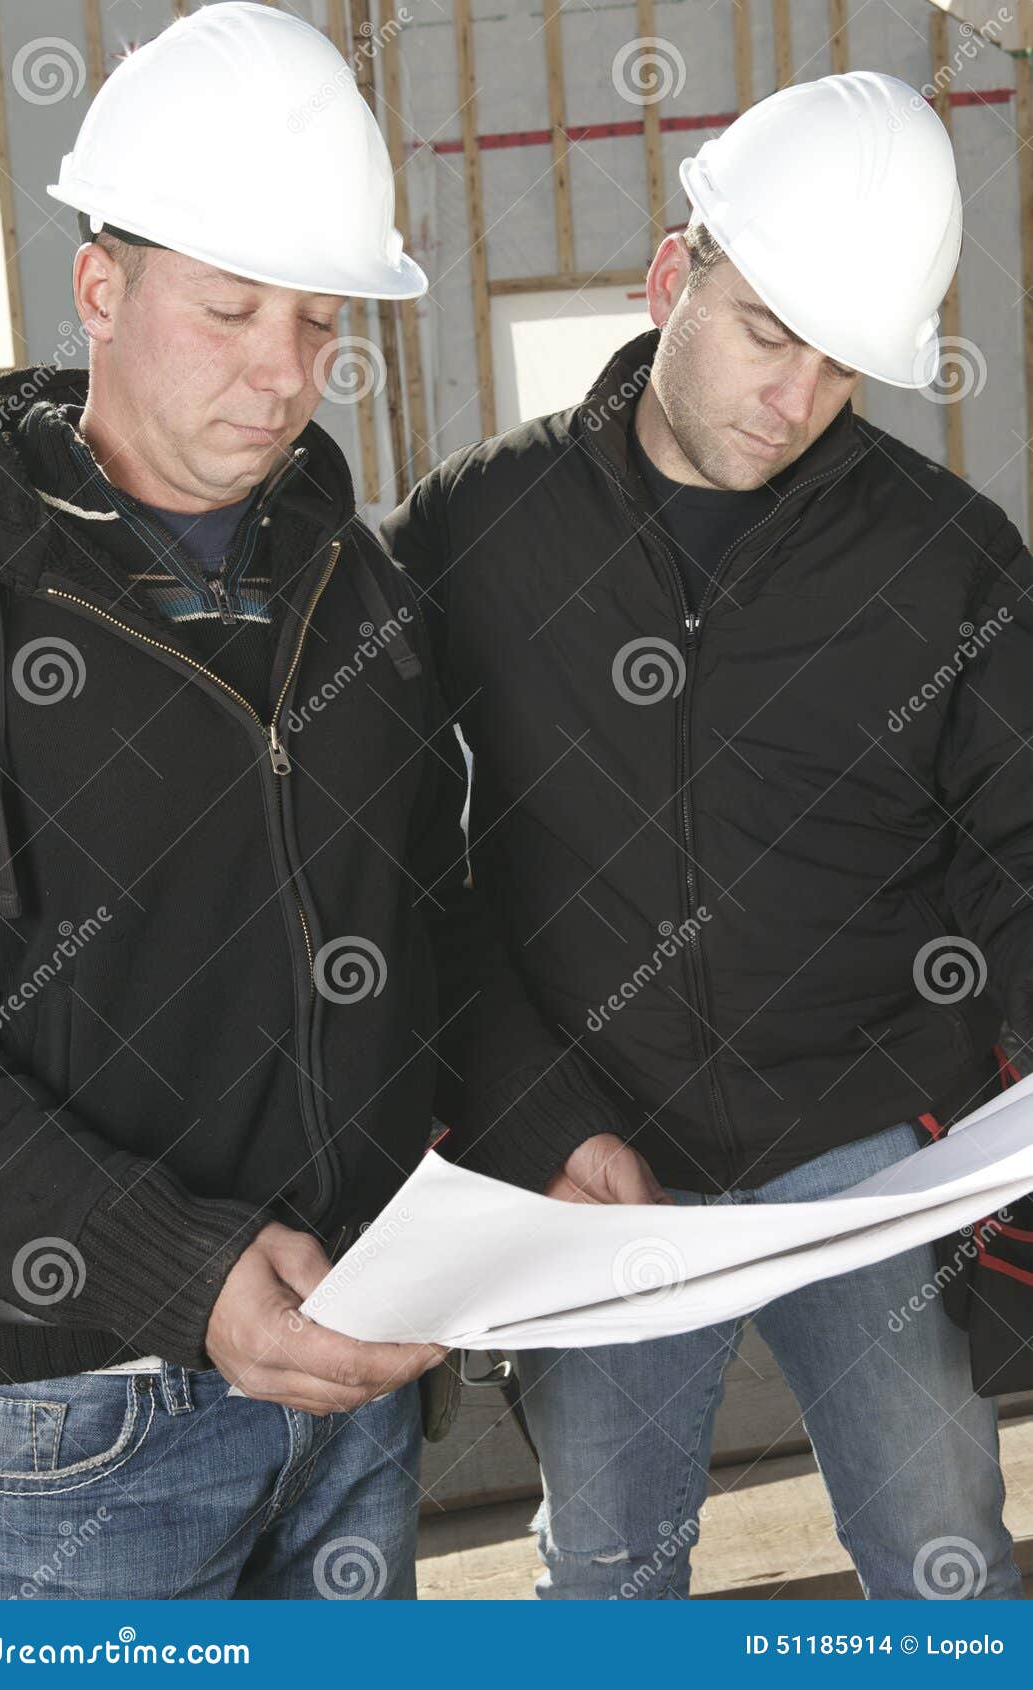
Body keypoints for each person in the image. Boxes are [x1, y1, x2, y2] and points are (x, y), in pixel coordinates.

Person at [0, 2, 611, 1601]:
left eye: (320, 323)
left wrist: (547, 1120)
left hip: (354, 1388)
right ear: (99, 287)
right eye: (234, 311)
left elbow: (424, 928)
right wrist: (176, 1272)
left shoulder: (362, 587)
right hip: (80, 1427)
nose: (283, 378)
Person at [382, 71, 1031, 1599]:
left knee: (946, 1552)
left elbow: (1021, 852)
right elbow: (397, 867)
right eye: (762, 333)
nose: (791, 399)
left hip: (870, 1146)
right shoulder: (477, 526)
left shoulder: (951, 562)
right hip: (602, 1167)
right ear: (673, 274)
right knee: (606, 1577)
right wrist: (528, 1114)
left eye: (836, 367)